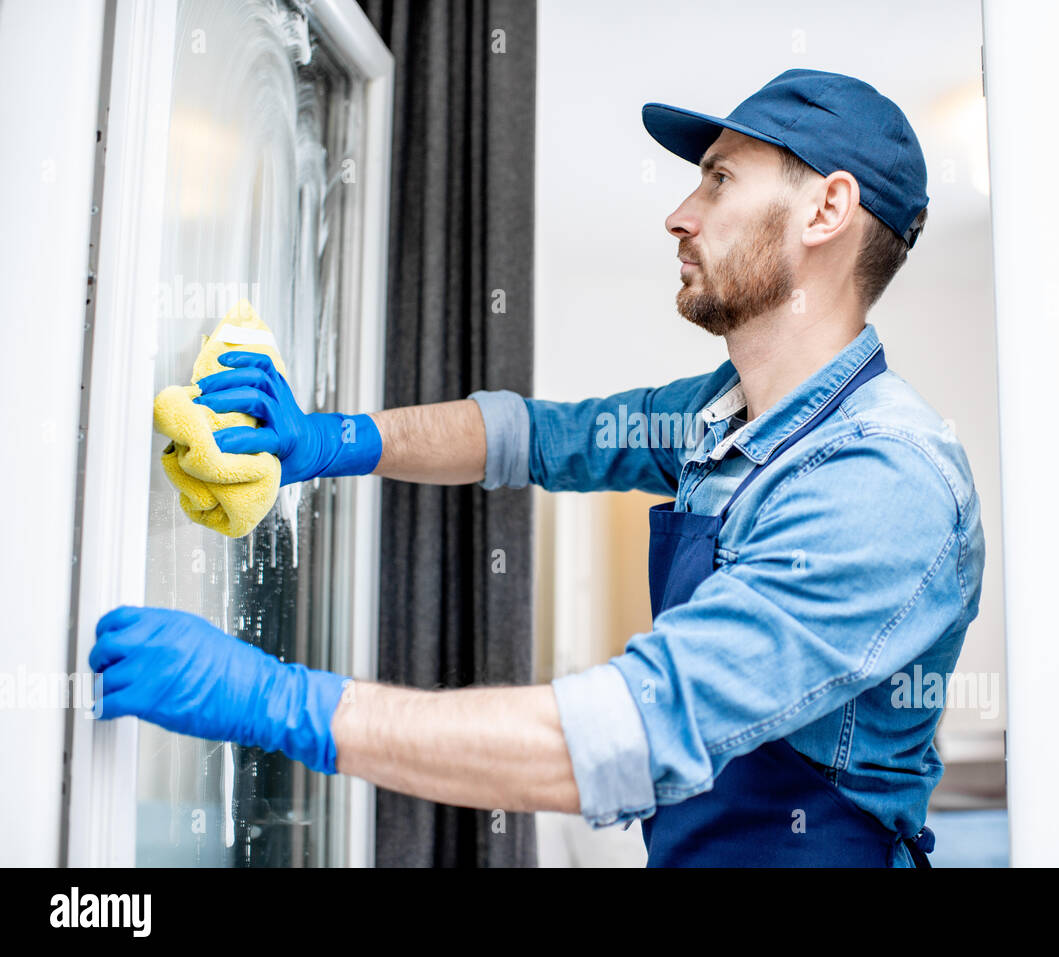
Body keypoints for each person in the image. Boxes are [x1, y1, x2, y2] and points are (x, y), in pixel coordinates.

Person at [91, 68, 985, 868]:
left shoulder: (880, 478)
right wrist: (330, 439)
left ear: (827, 211)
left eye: (718, 178)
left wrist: (273, 701)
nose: (679, 213)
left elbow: (632, 729)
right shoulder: (724, 412)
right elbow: (533, 437)